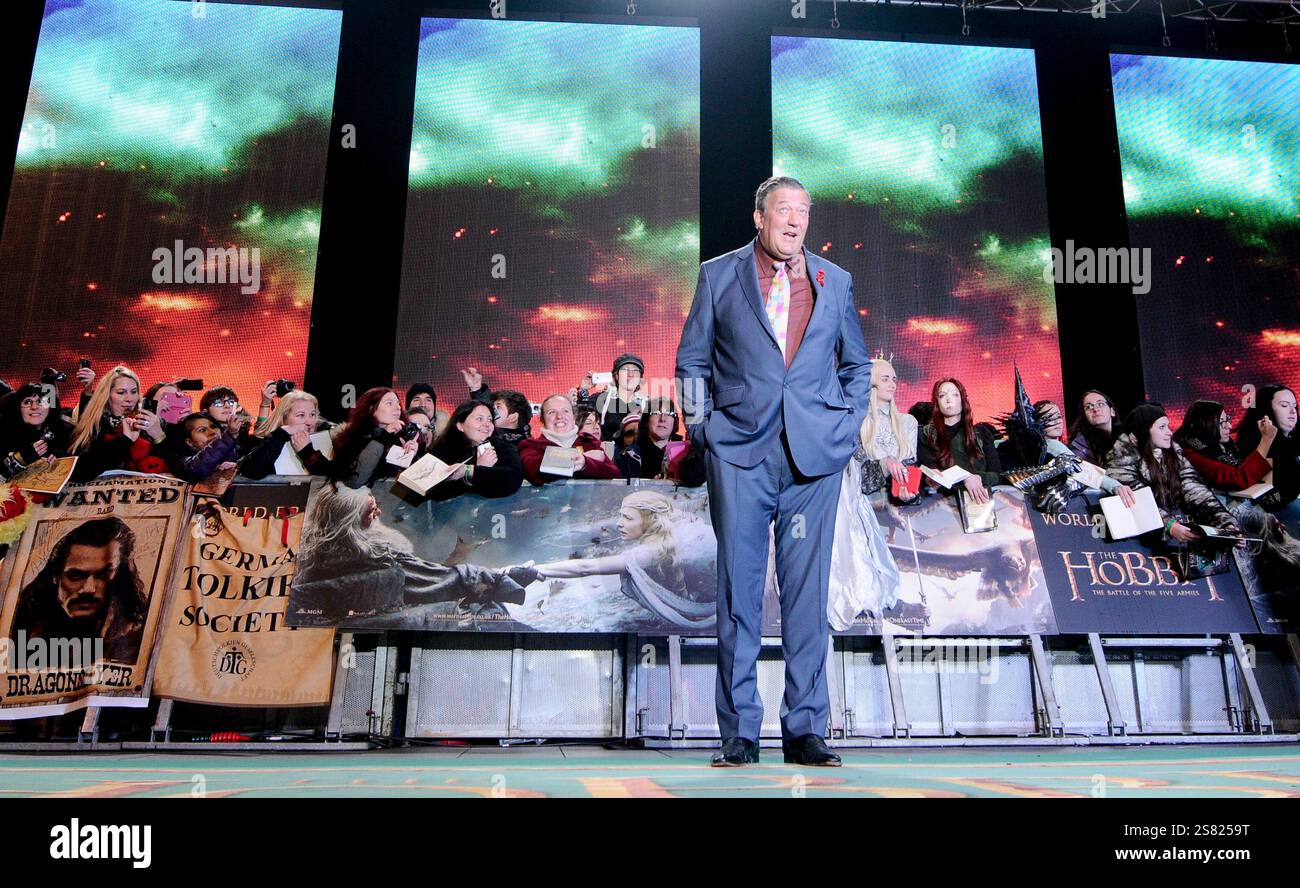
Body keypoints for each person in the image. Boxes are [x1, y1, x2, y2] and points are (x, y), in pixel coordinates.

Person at [675, 175, 872, 767]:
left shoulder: (834, 281)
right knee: (738, 591)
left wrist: (843, 425)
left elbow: (857, 366)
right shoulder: (718, 274)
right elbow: (691, 362)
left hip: (813, 460)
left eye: (804, 213)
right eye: (785, 210)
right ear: (759, 216)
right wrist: (705, 430)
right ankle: (738, 732)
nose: (795, 222)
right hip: (739, 453)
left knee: (807, 596)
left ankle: (806, 729)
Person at [291, 484, 539, 620]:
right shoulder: (379, 557)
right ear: (349, 520)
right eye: (371, 511)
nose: (379, 514)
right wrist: (497, 578)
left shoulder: (311, 558)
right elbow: (440, 580)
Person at [529, 490, 717, 629]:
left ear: (650, 521)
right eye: (620, 516)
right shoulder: (682, 522)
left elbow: (585, 567)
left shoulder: (651, 552)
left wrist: (540, 569)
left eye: (627, 518)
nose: (619, 523)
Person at [9, 517, 148, 663]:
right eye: (76, 575)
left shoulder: (136, 631)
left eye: (103, 575)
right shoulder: (21, 621)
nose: (88, 589)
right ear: (55, 575)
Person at [1105, 403, 1241, 543]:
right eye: (1162, 427)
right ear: (1144, 431)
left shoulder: (1174, 453)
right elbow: (1138, 501)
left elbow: (1195, 490)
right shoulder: (1121, 459)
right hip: (1139, 541)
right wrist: (1169, 525)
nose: (1170, 432)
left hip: (1177, 531)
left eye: (1168, 426)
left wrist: (1225, 524)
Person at [69, 366, 168, 481]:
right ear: (106, 395)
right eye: (121, 392)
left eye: (134, 392)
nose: (129, 399)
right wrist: (125, 440)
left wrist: (158, 435)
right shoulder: (94, 424)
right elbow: (80, 473)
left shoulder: (150, 421)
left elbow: (174, 465)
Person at [917, 377, 1002, 505]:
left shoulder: (981, 434)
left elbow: (998, 476)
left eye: (955, 394)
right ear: (936, 402)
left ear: (963, 399)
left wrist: (978, 477)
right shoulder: (926, 435)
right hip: (943, 509)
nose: (948, 399)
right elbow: (932, 476)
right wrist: (965, 478)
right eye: (942, 395)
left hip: (983, 506)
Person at [426, 400, 524, 500]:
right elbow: (434, 491)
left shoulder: (501, 447)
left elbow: (513, 478)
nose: (487, 424)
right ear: (460, 425)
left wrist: (471, 470)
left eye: (490, 420)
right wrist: (474, 473)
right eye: (479, 419)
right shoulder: (443, 449)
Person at [517, 394, 621, 486]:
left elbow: (615, 474)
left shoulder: (589, 442)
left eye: (565, 411)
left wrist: (585, 463)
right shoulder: (530, 446)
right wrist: (580, 460)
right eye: (552, 412)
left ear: (573, 416)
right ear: (542, 419)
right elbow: (534, 472)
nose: (559, 416)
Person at [1173, 399, 1274, 493]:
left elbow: (1243, 466)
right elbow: (1239, 479)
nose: (1229, 426)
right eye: (1222, 422)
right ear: (1205, 424)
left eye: (1227, 420)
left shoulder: (1221, 443)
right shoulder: (1192, 454)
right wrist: (1266, 440)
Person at [329, 387, 421, 489]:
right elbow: (355, 481)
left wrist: (412, 457)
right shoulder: (355, 437)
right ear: (372, 409)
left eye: (398, 403)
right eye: (389, 403)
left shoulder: (400, 438)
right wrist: (383, 437)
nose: (398, 407)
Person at [854, 358, 918, 502]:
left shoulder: (908, 422)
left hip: (900, 507)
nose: (892, 385)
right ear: (870, 383)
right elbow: (858, 478)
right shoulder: (856, 423)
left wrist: (909, 493)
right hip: (865, 506)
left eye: (894, 380)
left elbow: (910, 467)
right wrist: (885, 464)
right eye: (885, 379)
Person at [238, 390, 333, 479]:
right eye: (301, 415)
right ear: (283, 418)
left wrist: (308, 452)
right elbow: (249, 471)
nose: (309, 422)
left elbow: (333, 480)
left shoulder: (327, 441)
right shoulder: (268, 442)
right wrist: (281, 434)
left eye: (312, 414)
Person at [1236, 384, 1299, 510]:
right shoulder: (1259, 444)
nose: (1293, 411)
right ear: (1267, 410)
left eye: (1295, 406)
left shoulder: (1294, 437)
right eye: (1285, 405)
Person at [0, 383, 72, 479]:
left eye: (41, 401)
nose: (34, 407)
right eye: (27, 402)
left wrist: (63, 460)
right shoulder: (4, 435)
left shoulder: (64, 430)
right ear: (18, 409)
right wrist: (20, 459)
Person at [577, 354, 646, 441]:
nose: (630, 374)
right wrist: (583, 390)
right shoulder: (601, 400)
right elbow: (579, 418)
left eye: (635, 370)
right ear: (616, 376)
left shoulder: (647, 405)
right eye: (625, 370)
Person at [169, 412, 242, 483]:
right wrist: (229, 436)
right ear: (189, 442)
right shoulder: (183, 463)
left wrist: (237, 466)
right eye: (202, 430)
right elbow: (200, 467)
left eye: (213, 426)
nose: (212, 432)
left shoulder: (237, 453)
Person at [1068, 389, 1122, 464]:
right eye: (1088, 407)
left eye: (1100, 404)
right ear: (1084, 417)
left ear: (1112, 412)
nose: (1095, 409)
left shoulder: (1128, 436)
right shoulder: (1080, 445)